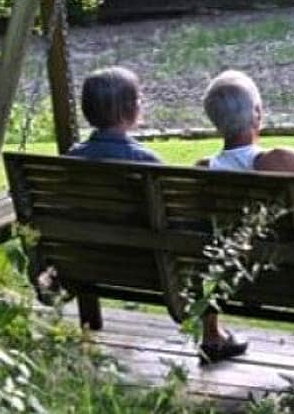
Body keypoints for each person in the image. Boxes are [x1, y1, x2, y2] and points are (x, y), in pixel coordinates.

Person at [66, 67, 243, 363]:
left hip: (89, 262)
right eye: (138, 98)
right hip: (149, 267)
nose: (141, 103)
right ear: (129, 109)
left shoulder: (71, 159)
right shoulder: (146, 163)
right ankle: (213, 335)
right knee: (200, 244)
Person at [195, 70, 294, 363]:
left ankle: (211, 333)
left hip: (236, 276)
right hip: (293, 273)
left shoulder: (202, 170)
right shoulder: (280, 160)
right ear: (258, 114)